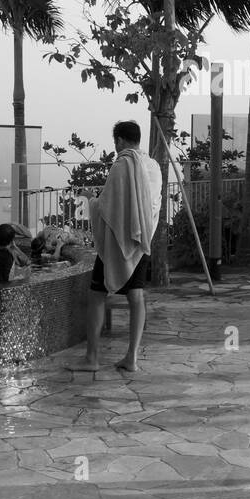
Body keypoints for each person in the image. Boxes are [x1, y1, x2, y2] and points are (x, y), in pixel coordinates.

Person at [82, 120, 162, 373]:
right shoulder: (153, 166)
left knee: (96, 295)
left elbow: (109, 207)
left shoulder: (122, 163)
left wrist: (90, 199)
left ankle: (92, 358)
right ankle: (132, 358)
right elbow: (152, 205)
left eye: (115, 141)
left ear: (120, 140)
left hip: (118, 242)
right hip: (141, 241)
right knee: (136, 297)